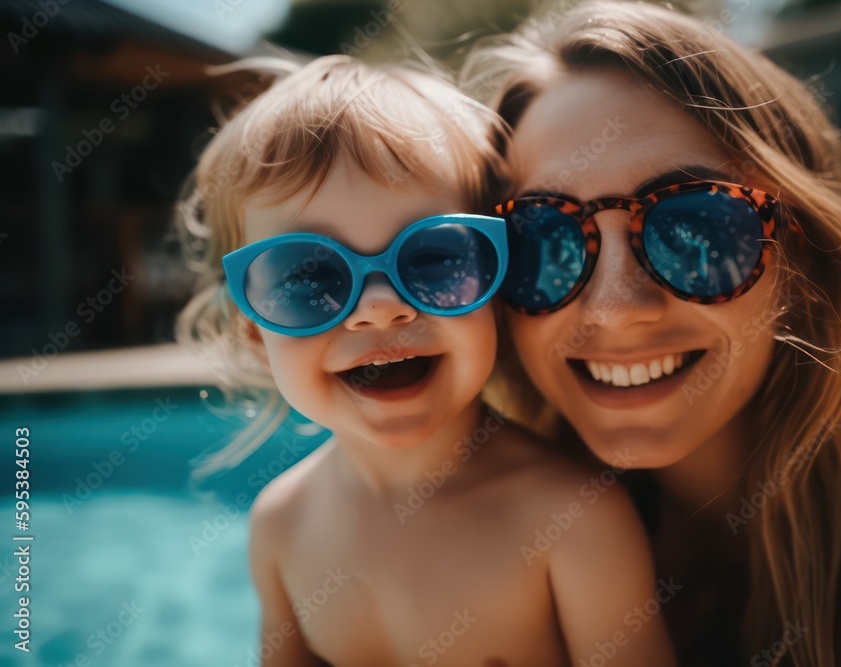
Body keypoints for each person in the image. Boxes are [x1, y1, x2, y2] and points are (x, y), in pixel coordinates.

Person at [462, 1, 841, 665]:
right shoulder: (526, 531)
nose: (615, 307)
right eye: (543, 238)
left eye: (697, 228)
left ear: (800, 247)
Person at [175, 55, 675, 666]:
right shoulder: (280, 527)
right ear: (255, 331)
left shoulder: (572, 518)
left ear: (496, 288)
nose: (380, 310)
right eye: (309, 278)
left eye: (436, 259)